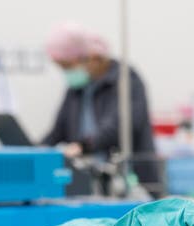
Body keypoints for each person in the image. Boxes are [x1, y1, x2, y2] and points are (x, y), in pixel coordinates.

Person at [42, 23, 157, 187]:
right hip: (88, 177)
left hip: (129, 178)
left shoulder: (126, 80)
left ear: (91, 57)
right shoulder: (77, 89)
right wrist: (35, 151)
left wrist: (83, 147)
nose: (67, 72)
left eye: (68, 66)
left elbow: (119, 126)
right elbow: (58, 131)